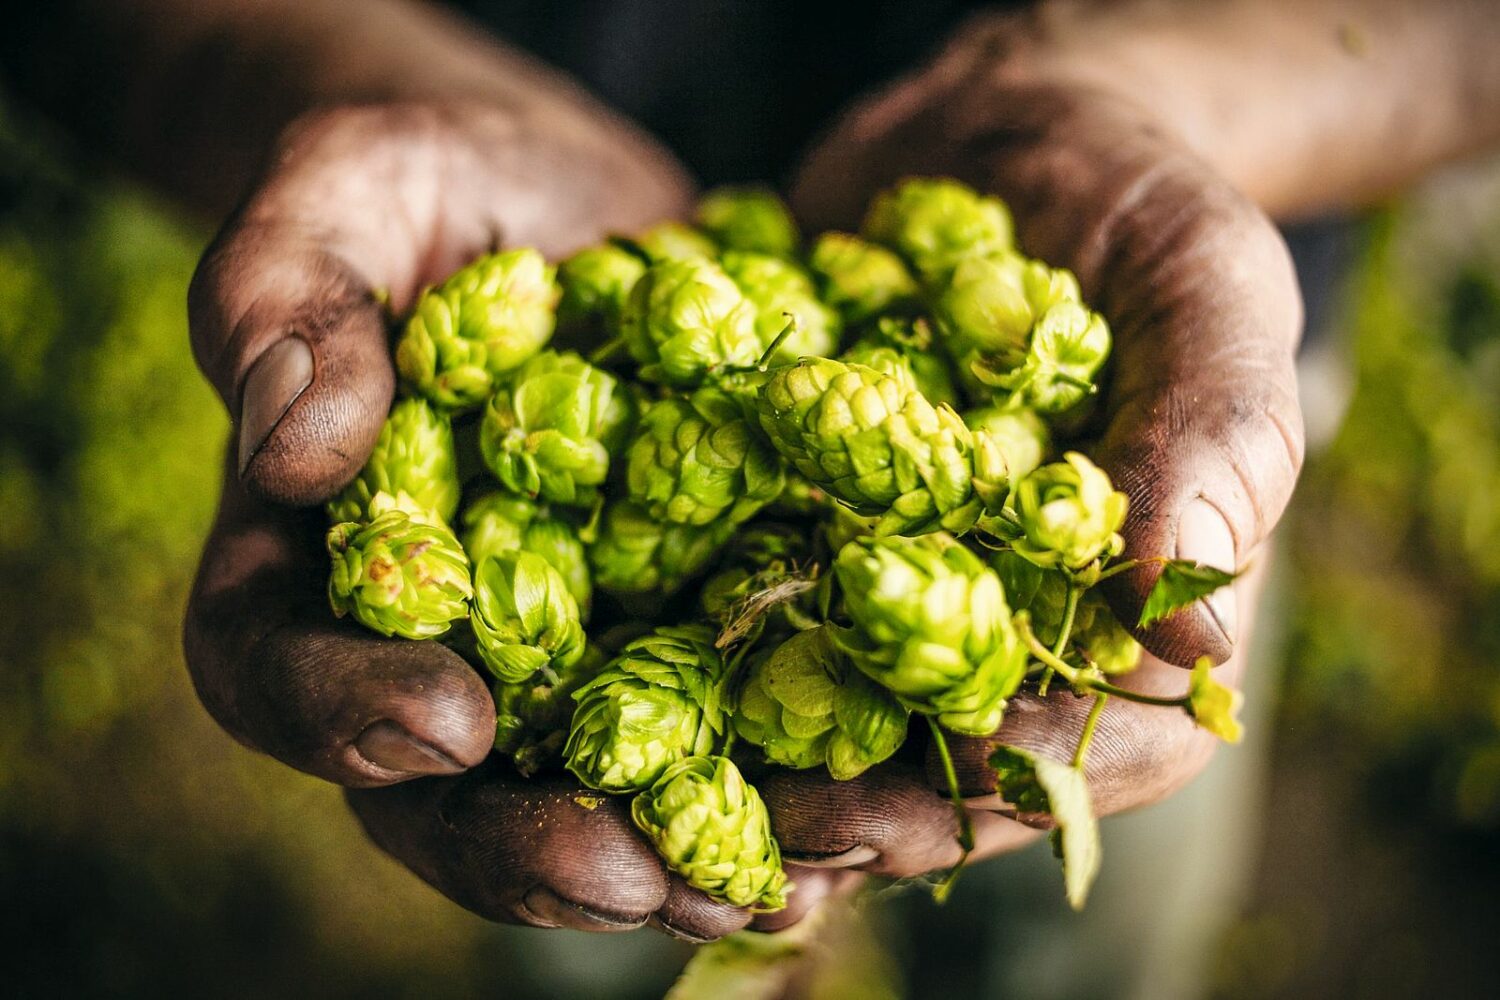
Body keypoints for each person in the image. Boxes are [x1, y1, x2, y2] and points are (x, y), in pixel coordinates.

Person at [3, 0, 1496, 946]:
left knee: (1083, 889)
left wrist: (1178, 106)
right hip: (525, 189)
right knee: (575, 890)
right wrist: (335, 89)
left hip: (1134, 398)